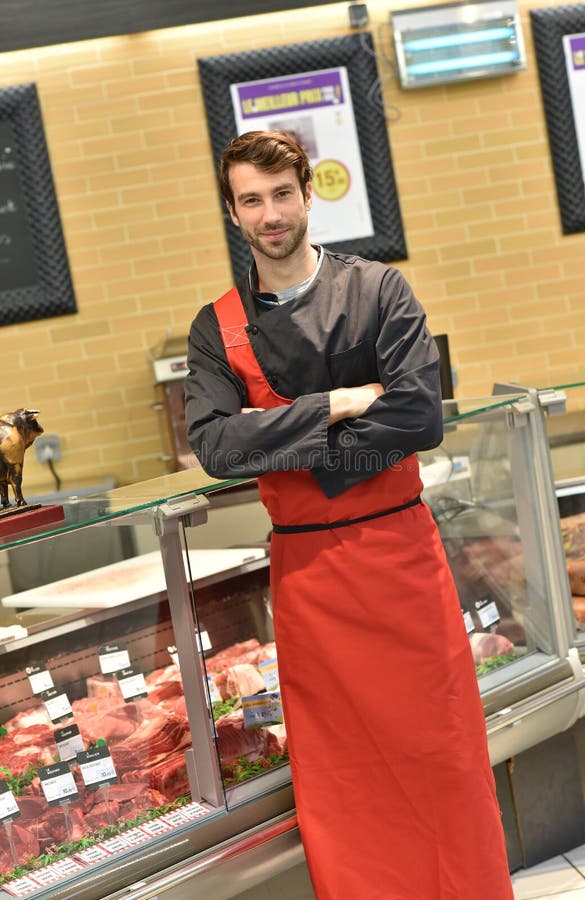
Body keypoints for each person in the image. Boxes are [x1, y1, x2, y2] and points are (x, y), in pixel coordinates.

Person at [185, 130, 514, 900]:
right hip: (308, 578)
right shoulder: (216, 327)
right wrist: (331, 405)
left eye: (282, 194)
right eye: (251, 200)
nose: (270, 214)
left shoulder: (378, 290)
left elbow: (416, 418)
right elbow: (216, 446)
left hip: (400, 558)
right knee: (345, 778)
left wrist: (287, 445)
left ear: (307, 194)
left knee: (440, 759)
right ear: (233, 212)